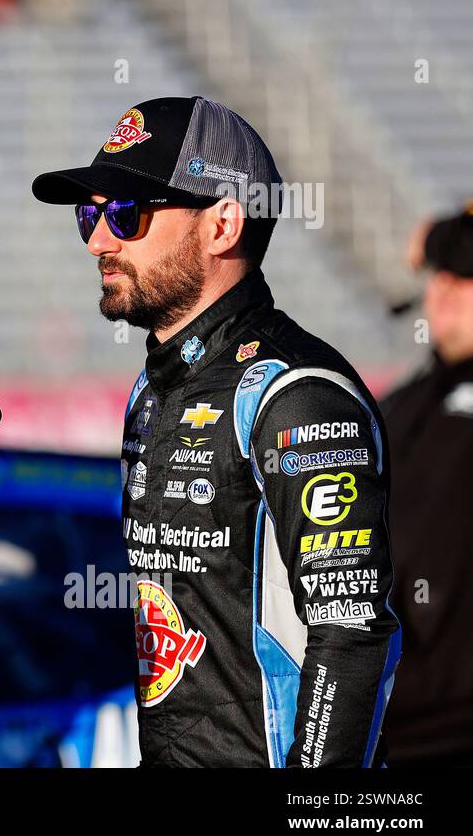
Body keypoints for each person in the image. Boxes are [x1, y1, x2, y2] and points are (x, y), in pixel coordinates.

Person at [33, 96, 401, 767]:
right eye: (90, 214)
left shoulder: (296, 395)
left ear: (223, 224)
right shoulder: (154, 387)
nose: (97, 241)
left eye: (126, 215)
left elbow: (351, 631)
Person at [379, 208, 473, 766]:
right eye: (436, 278)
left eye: (461, 279)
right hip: (391, 718)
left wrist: (442, 236)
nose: (441, 293)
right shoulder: (412, 398)